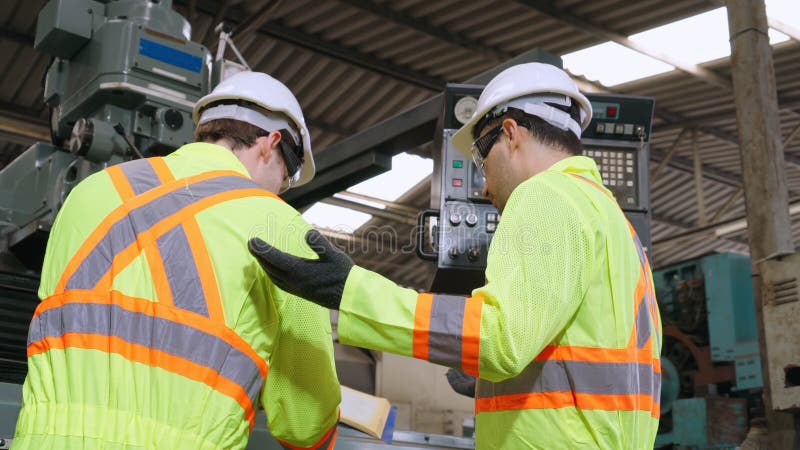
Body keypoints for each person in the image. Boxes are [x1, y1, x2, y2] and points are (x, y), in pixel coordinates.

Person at [249, 63, 662, 449]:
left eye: (482, 160)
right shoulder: (611, 220)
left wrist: (351, 292)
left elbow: (502, 341)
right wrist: (493, 379)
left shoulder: (544, 195)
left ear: (512, 132)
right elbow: (573, 353)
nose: (483, 187)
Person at [13, 71, 340, 450]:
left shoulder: (89, 192)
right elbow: (302, 422)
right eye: (284, 177)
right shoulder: (280, 227)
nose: (278, 191)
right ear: (271, 143)